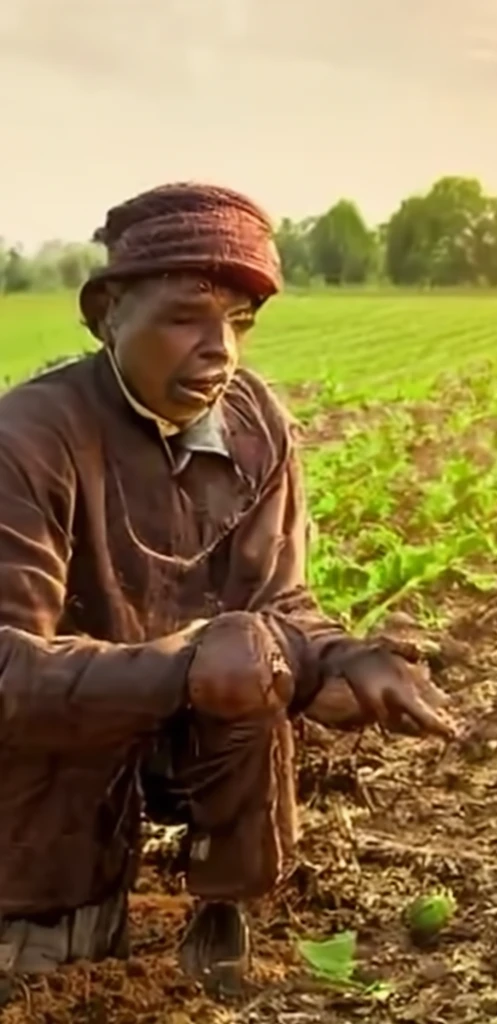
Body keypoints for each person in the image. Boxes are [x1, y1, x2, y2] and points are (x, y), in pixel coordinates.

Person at [0, 183, 460, 996]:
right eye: (186, 317)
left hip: (191, 729)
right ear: (108, 312)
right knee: (50, 960)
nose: (221, 351)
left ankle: (225, 895)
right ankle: (59, 903)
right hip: (56, 742)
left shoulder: (255, 426)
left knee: (254, 663)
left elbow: (282, 603)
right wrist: (185, 666)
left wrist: (341, 661)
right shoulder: (29, 438)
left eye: (239, 322)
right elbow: (10, 669)